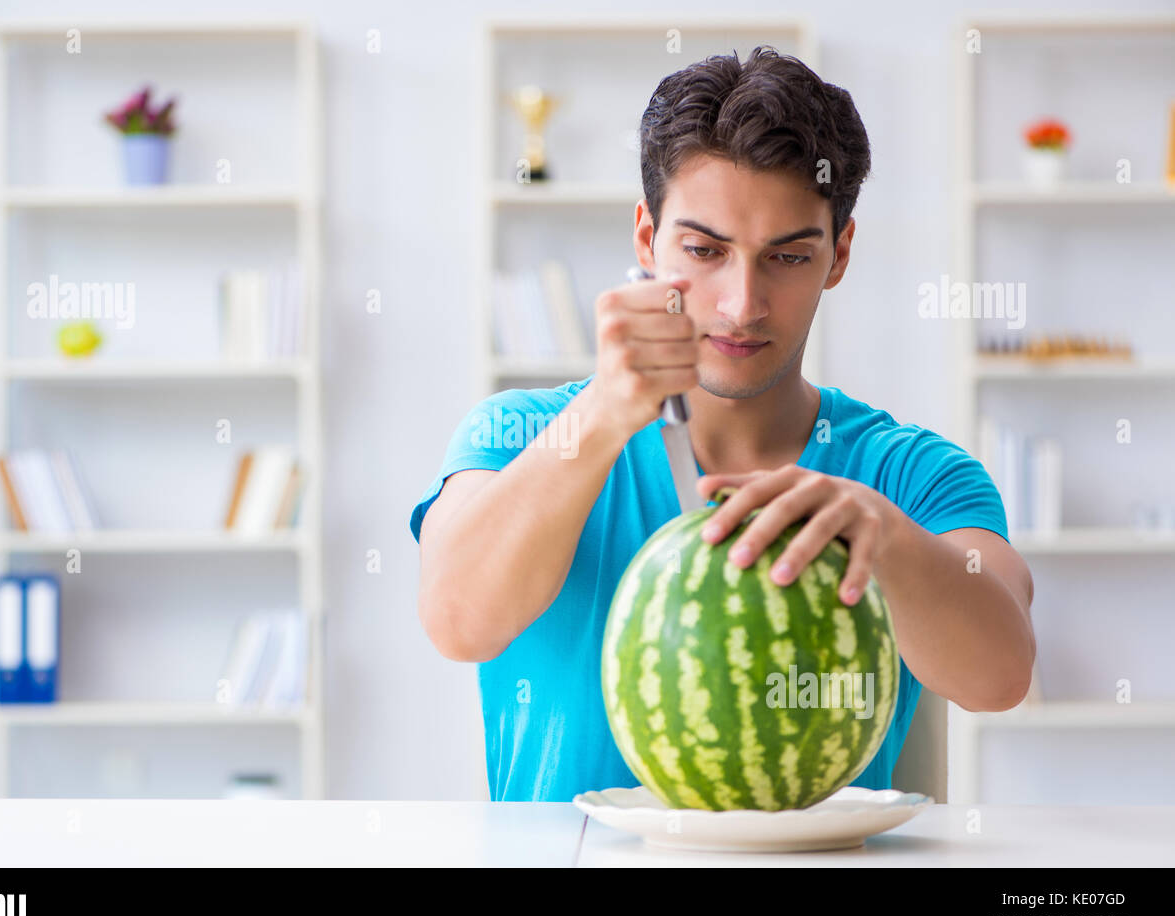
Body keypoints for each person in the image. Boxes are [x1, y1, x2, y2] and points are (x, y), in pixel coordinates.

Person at [410, 46, 1036, 802]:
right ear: (647, 239)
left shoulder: (909, 472)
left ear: (839, 254)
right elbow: (455, 622)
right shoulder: (522, 433)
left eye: (788, 257)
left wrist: (882, 529)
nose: (742, 303)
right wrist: (607, 411)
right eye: (704, 250)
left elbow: (1001, 675)